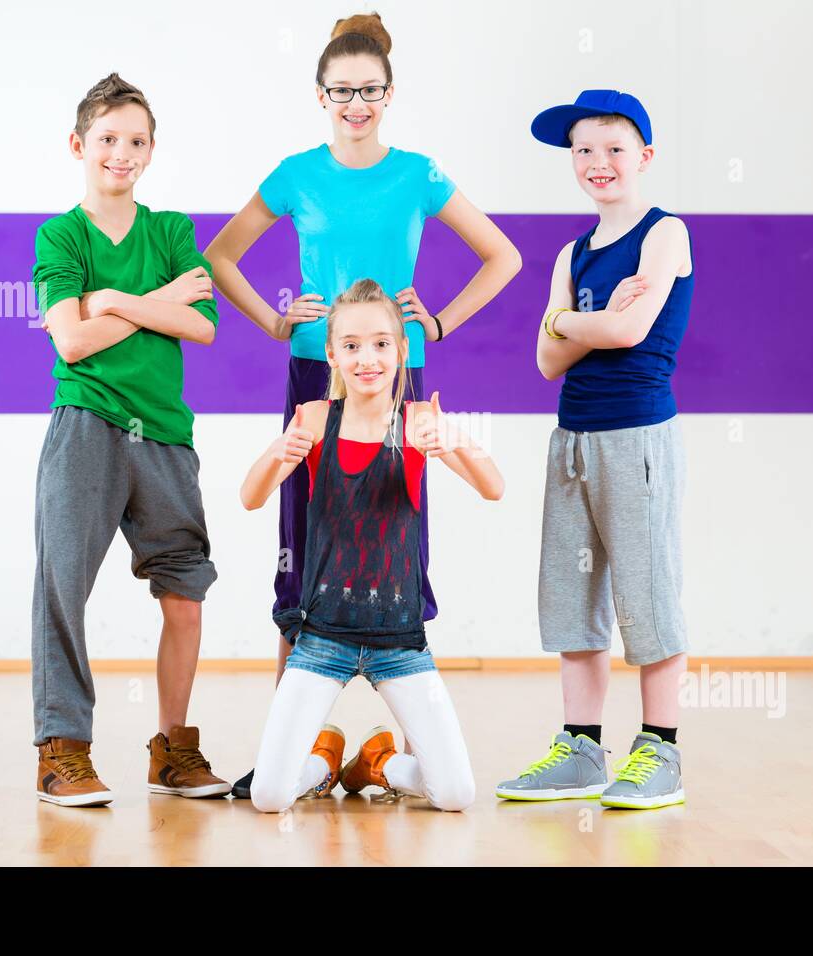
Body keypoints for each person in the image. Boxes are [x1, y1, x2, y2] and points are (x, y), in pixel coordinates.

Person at [205, 11, 520, 797]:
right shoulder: (296, 173)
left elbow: (503, 256)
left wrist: (438, 321)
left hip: (392, 381)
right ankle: (298, 745)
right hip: (317, 374)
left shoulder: (418, 173)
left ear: (389, 93)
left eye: (369, 90)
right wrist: (278, 320)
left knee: (400, 548)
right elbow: (220, 254)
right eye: (341, 90)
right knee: (300, 555)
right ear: (319, 94)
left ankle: (410, 751)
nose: (355, 103)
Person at [30, 73, 229, 806]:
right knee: (62, 588)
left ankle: (173, 752)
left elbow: (203, 326)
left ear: (151, 149)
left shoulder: (171, 230)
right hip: (86, 425)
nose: (123, 152)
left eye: (137, 140)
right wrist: (156, 301)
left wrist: (113, 299)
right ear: (79, 145)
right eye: (108, 139)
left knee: (185, 593)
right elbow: (74, 345)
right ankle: (63, 750)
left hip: (166, 438)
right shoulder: (61, 235)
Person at [496, 90, 694, 810]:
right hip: (571, 440)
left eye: (614, 147)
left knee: (647, 598)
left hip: (636, 435)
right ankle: (581, 750)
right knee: (571, 599)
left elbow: (628, 333)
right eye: (584, 149)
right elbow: (547, 361)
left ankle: (661, 752)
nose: (598, 162)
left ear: (644, 154)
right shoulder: (573, 252)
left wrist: (571, 321)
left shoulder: (665, 234)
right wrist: (579, 319)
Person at [238, 278, 503, 812]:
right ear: (332, 354)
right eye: (352, 346)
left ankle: (380, 764)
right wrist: (277, 455)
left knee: (454, 793)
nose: (368, 358)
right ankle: (324, 762)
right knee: (268, 795)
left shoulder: (420, 419)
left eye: (382, 344)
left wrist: (450, 443)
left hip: (399, 638)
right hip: (322, 636)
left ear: (402, 350)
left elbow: (493, 486)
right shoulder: (313, 419)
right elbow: (250, 496)